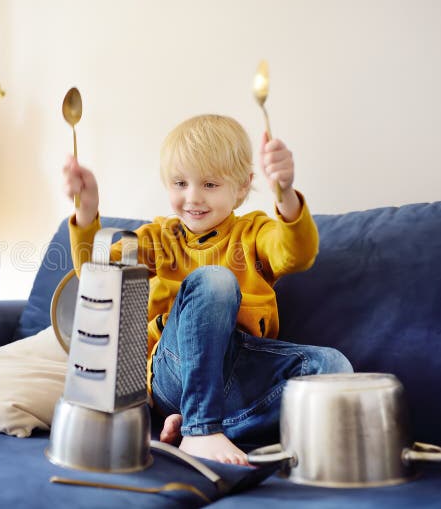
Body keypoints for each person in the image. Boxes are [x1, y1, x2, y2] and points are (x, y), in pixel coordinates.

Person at [62, 114, 352, 465]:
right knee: (215, 280)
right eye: (180, 183)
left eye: (210, 185)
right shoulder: (158, 238)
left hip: (237, 369)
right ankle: (200, 428)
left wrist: (286, 194)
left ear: (242, 187)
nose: (193, 197)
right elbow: (96, 276)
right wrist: (87, 212)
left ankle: (198, 424)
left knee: (334, 368)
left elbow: (297, 254)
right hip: (174, 370)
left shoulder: (254, 232)